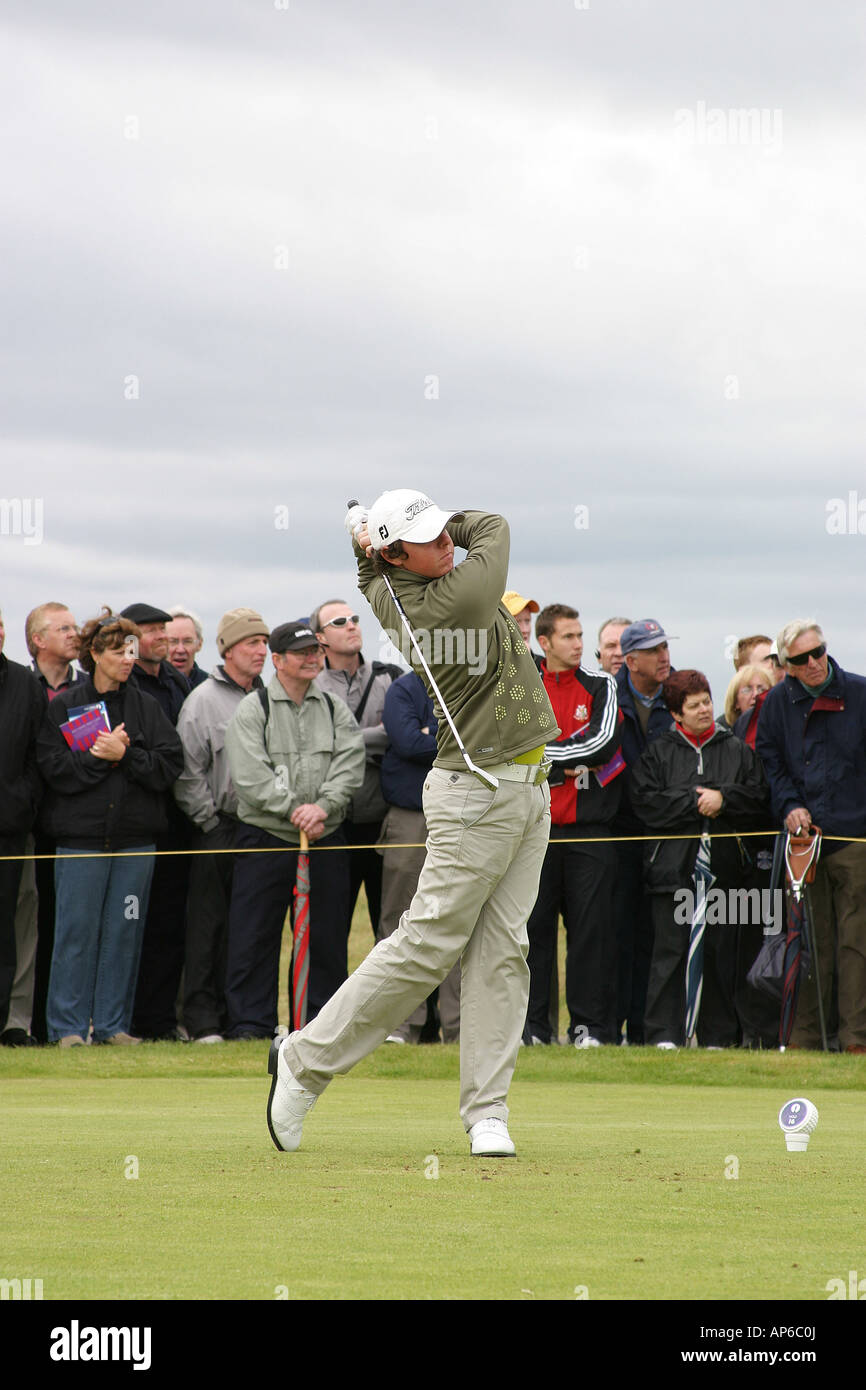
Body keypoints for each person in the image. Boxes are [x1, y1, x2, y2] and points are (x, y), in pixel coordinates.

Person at [267, 491, 558, 1158]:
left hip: (524, 791)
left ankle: (487, 1110)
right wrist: (434, 519)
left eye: (440, 534)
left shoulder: (386, 582)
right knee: (427, 943)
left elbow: (370, 572)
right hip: (477, 791)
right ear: (398, 554)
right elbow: (495, 525)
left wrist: (366, 538)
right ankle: (304, 1061)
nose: (445, 544)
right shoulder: (450, 602)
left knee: (504, 951)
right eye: (426, 540)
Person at [37, 610, 183, 1045]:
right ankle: (67, 1030)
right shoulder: (66, 705)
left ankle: (112, 1027)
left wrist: (126, 756)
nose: (128, 659)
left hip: (136, 844)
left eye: (132, 651)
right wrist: (97, 758)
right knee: (74, 935)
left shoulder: (147, 706)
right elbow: (55, 770)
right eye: (120, 651)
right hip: (80, 843)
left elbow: (169, 765)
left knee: (124, 932)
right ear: (95, 654)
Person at [223, 621, 365, 1039]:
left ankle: (317, 1028)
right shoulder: (254, 708)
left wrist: (321, 808)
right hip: (266, 838)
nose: (311, 658)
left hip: (325, 836)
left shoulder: (335, 708)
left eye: (315, 651)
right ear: (278, 660)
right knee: (253, 937)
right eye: (301, 652)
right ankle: (251, 1026)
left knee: (326, 938)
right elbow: (250, 775)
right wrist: (295, 811)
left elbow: (350, 762)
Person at [630, 670, 769, 1048]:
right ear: (677, 714)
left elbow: (757, 797)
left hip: (725, 870)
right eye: (694, 706)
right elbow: (646, 802)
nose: (705, 710)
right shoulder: (659, 751)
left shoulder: (736, 748)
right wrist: (694, 801)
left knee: (720, 953)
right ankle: (664, 1034)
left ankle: (718, 1036)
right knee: (669, 953)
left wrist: (723, 800)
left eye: (706, 701)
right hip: (671, 870)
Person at [756, 620, 866, 1052]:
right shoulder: (776, 703)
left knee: (855, 945)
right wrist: (788, 805)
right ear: (788, 665)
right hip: (803, 843)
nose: (815, 662)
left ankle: (856, 1040)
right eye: (802, 659)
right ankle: (805, 1041)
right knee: (807, 943)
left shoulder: (859, 693)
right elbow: (770, 760)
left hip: (854, 839)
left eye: (818, 651)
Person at [523, 604, 623, 1047]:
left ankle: (588, 1028)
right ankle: (534, 1029)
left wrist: (546, 759)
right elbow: (514, 742)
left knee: (590, 936)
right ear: (544, 643)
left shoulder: (601, 683)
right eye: (568, 637)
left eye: (581, 635)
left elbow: (602, 743)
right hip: (534, 833)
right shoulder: (524, 683)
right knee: (533, 933)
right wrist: (563, 759)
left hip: (589, 833)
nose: (578, 644)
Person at [173, 608, 269, 1042]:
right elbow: (187, 771)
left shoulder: (272, 695)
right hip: (220, 827)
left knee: (249, 929)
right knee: (206, 929)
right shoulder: (203, 700)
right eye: (252, 643)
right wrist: (209, 822)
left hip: (264, 828)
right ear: (227, 649)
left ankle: (241, 1019)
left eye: (265, 643)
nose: (262, 651)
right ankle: (201, 1020)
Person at [121, 602, 192, 1040]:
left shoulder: (177, 682)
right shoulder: (126, 685)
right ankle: (124, 1021)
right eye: (153, 632)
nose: (163, 639)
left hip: (176, 820)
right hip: (134, 820)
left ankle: (159, 1020)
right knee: (130, 926)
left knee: (169, 924)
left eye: (165, 631)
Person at [377, 670, 459, 1043]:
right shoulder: (405, 688)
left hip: (463, 814)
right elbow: (407, 742)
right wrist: (457, 737)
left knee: (461, 919)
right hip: (410, 815)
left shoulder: (470, 681)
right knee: (399, 920)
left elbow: (489, 738)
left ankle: (459, 1029)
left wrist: (432, 734)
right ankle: (399, 1026)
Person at [312, 599, 398, 939]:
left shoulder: (389, 678)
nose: (351, 625)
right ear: (320, 638)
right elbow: (313, 744)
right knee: (327, 931)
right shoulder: (310, 686)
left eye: (354, 618)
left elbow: (401, 736)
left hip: (382, 823)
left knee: (390, 931)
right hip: (331, 825)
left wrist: (339, 741)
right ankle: (324, 996)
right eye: (339, 622)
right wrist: (375, 736)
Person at [613, 619, 676, 1043]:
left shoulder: (677, 699)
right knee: (616, 935)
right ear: (631, 660)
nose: (663, 656)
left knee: (658, 938)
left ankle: (646, 1031)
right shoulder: (607, 695)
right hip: (617, 834)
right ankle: (604, 1028)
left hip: (664, 835)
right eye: (653, 650)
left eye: (665, 647)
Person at [0, 609, 45, 1045]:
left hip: (11, 829)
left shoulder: (23, 683)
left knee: (16, 925)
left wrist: (21, 802)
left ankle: (13, 1022)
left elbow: (38, 755)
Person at [720, 663, 774, 732]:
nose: (756, 694)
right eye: (747, 690)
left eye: (762, 689)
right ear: (736, 702)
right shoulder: (728, 740)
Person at [166, 607, 208, 690]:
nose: (180, 650)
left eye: (187, 641)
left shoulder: (210, 688)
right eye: (173, 641)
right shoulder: (150, 687)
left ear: (199, 644)